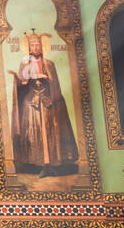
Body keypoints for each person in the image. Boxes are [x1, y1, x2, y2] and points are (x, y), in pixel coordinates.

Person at [10, 32, 79, 175]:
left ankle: (51, 164)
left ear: (42, 47)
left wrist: (45, 77)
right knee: (34, 133)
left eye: (37, 45)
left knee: (50, 132)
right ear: (29, 48)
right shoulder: (25, 63)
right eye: (32, 45)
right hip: (32, 104)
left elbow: (55, 85)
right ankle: (39, 164)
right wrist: (20, 78)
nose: (35, 48)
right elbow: (22, 84)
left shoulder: (49, 64)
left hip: (48, 103)